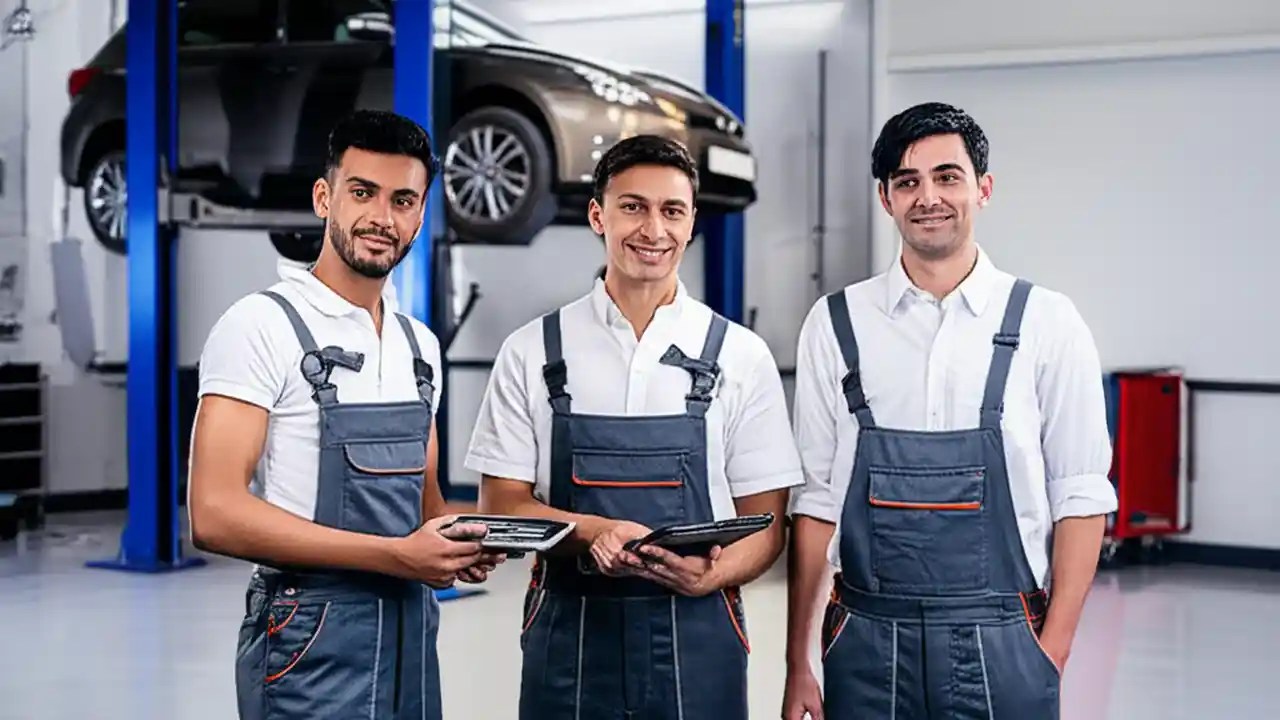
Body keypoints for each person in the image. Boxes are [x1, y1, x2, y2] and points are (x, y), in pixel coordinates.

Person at [782, 102, 1118, 719]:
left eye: (947, 176)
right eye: (907, 181)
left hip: (1006, 640)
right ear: (886, 198)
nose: (927, 196)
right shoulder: (835, 324)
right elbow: (816, 502)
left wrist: (1053, 651)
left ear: (983, 189)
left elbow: (1081, 494)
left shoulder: (1047, 322)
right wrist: (797, 661)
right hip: (863, 643)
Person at [464, 134, 804, 720]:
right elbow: (502, 506)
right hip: (570, 636)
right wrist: (593, 529)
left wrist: (711, 575)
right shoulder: (533, 351)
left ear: (692, 222)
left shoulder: (739, 356)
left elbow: (767, 523)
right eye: (633, 206)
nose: (653, 229)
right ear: (598, 215)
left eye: (672, 210)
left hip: (699, 634)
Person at [187, 109, 503, 720]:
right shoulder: (260, 326)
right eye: (363, 193)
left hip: (411, 631)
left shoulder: (420, 347)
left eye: (404, 200)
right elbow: (213, 513)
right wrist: (397, 557)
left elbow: (425, 505)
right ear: (324, 197)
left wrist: (461, 541)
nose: (383, 218)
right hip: (306, 636)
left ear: (420, 214)